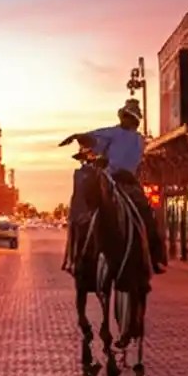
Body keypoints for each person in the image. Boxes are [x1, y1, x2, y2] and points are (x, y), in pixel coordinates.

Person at [59, 99, 168, 274]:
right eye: (126, 117)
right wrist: (79, 137)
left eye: (131, 118)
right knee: (89, 207)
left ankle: (154, 256)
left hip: (128, 180)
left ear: (135, 121)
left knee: (145, 212)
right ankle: (83, 252)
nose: (128, 121)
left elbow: (131, 156)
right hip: (109, 178)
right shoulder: (114, 133)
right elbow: (94, 137)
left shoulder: (139, 139)